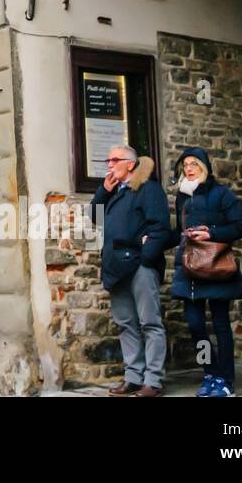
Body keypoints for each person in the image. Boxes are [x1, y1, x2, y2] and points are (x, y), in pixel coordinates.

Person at [90, 146, 171, 397]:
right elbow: (95, 216)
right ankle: (133, 377)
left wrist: (146, 258)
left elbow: (161, 228)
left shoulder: (148, 189)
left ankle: (153, 381)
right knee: (126, 324)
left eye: (115, 160)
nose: (110, 164)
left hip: (140, 266)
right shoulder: (115, 192)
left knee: (150, 323)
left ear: (131, 164)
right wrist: (104, 190)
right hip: (116, 267)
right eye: (109, 159)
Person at [170, 146, 242, 398]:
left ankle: (227, 381)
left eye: (194, 164)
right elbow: (177, 230)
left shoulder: (222, 194)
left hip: (215, 266)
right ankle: (211, 372)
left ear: (204, 167)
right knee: (195, 325)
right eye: (185, 164)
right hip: (189, 266)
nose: (189, 168)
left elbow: (240, 226)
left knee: (221, 324)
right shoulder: (182, 196)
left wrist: (211, 232)